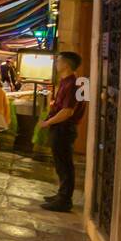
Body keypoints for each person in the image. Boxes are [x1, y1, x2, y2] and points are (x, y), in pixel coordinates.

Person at [39, 51, 85, 212]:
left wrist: (47, 123)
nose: (56, 63)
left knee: (64, 164)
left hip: (63, 129)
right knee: (60, 163)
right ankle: (61, 194)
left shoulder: (73, 83)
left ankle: (64, 200)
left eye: (58, 61)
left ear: (66, 64)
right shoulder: (70, 81)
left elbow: (67, 111)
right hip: (61, 128)